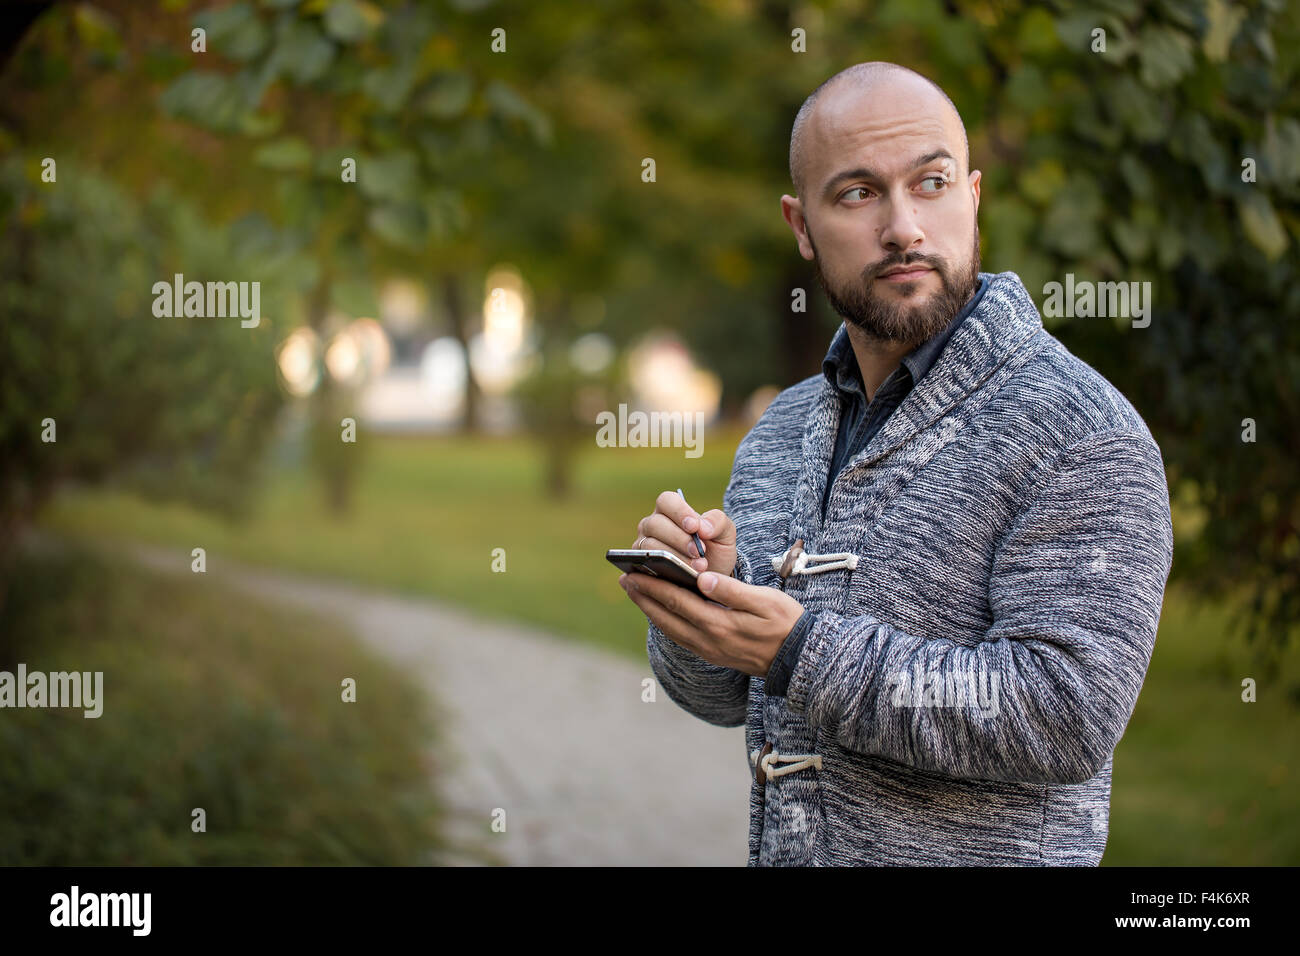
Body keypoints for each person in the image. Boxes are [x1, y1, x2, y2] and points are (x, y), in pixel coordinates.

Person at [619, 61, 1174, 866]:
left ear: (973, 196)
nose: (905, 227)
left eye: (933, 184)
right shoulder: (782, 429)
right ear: (801, 225)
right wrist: (698, 594)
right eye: (858, 193)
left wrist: (803, 652)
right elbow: (722, 700)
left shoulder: (1083, 432)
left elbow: (1066, 715)